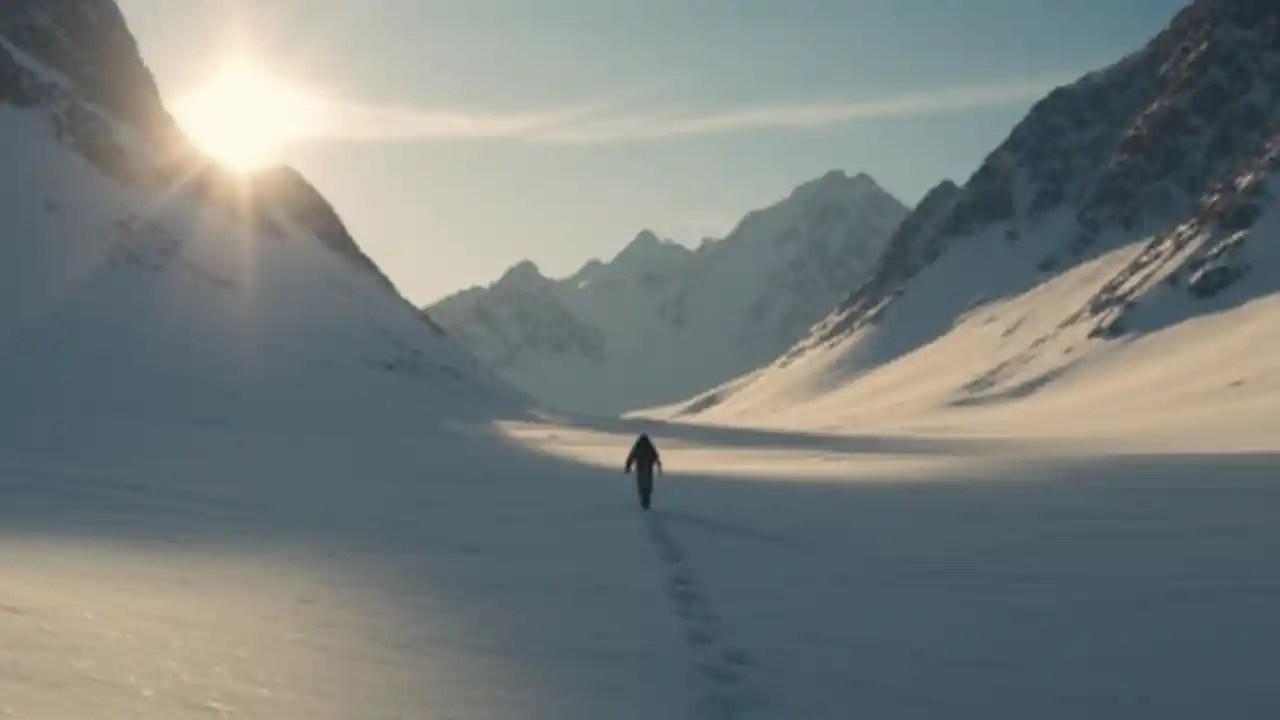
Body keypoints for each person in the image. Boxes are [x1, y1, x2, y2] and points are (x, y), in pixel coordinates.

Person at [624, 433, 663, 510]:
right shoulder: (650, 447)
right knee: (647, 485)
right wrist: (659, 467)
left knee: (642, 485)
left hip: (640, 468)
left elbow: (631, 457)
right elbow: (656, 457)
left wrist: (628, 467)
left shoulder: (638, 447)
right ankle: (646, 501)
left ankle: (644, 501)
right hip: (648, 468)